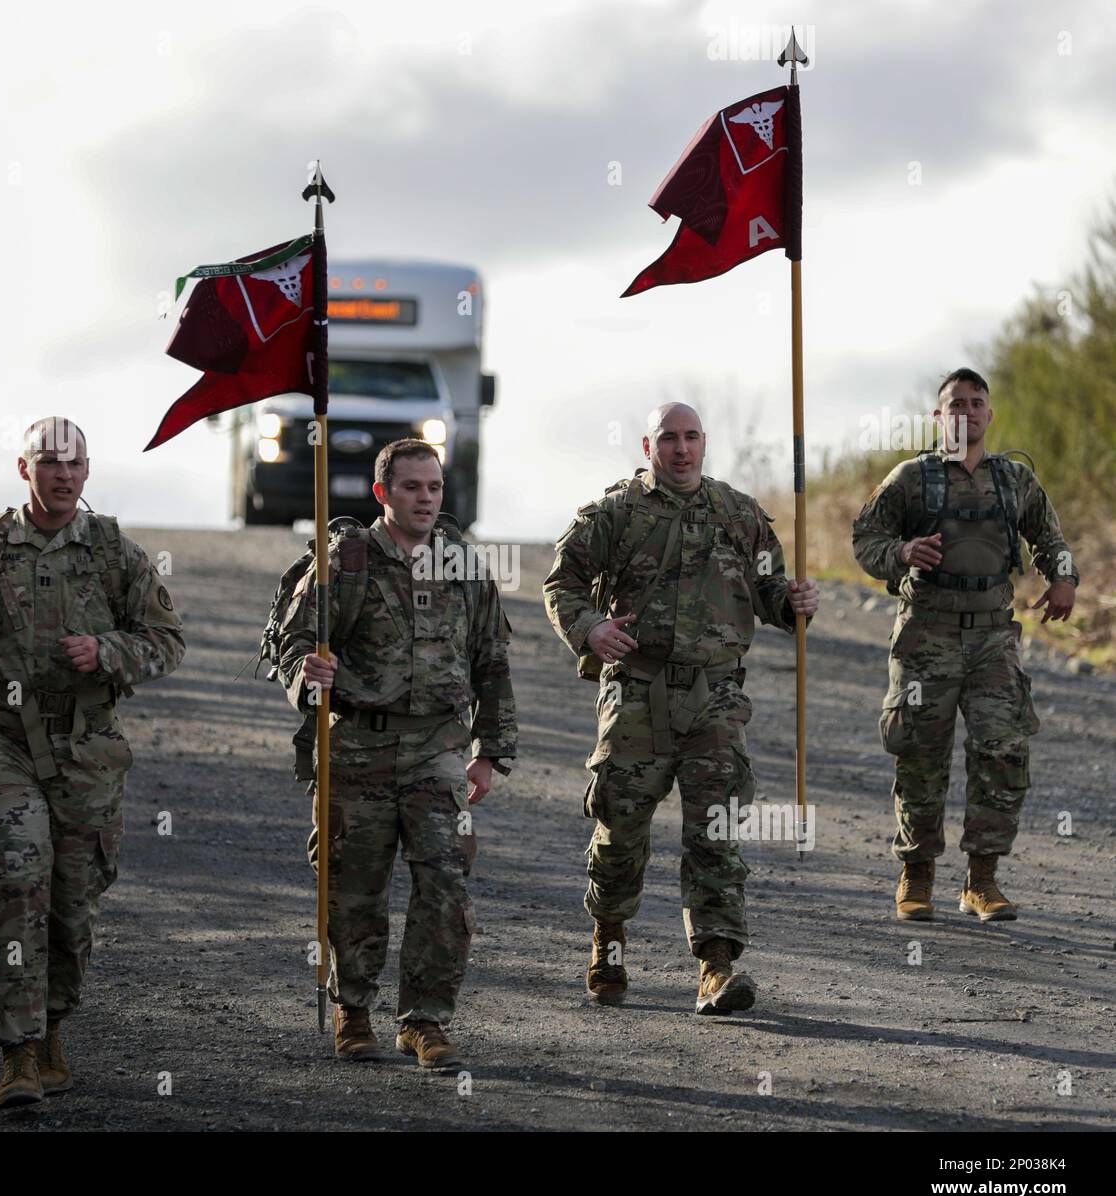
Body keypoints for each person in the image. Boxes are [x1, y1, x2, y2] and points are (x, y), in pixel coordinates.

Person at [0, 417, 184, 1108]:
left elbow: (167, 641)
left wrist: (109, 652)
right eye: (49, 463)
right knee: (16, 880)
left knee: (72, 905)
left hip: (87, 751)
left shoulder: (115, 551)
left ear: (87, 472)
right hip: (4, 744)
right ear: (23, 470)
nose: (63, 474)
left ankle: (54, 1024)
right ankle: (18, 1053)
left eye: (74, 464)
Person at [544, 402, 819, 1015]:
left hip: (715, 696)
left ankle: (717, 968)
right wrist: (589, 628)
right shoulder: (614, 514)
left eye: (692, 437)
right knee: (621, 828)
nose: (682, 449)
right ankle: (608, 941)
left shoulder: (740, 514)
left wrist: (796, 601)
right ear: (648, 445)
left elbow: (772, 592)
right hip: (636, 692)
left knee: (716, 830)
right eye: (669, 438)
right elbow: (560, 582)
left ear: (704, 442)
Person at [275, 438, 516, 1069]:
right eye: (412, 487)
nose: (426, 498)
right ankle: (352, 1007)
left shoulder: (464, 564)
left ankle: (426, 1020)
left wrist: (492, 751)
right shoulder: (347, 562)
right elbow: (295, 640)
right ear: (383, 493)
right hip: (358, 743)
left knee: (445, 880)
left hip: (439, 745)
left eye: (434, 487)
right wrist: (309, 672)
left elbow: (492, 659)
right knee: (355, 886)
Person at [852, 368, 1077, 922]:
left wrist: (1064, 578)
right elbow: (865, 539)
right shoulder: (911, 479)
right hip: (926, 634)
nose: (967, 412)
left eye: (977, 403)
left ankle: (982, 880)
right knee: (921, 756)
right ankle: (917, 875)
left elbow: (1049, 538)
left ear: (990, 414)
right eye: (956, 403)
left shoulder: (1015, 479)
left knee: (1002, 751)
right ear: (938, 415)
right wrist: (902, 553)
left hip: (993, 637)